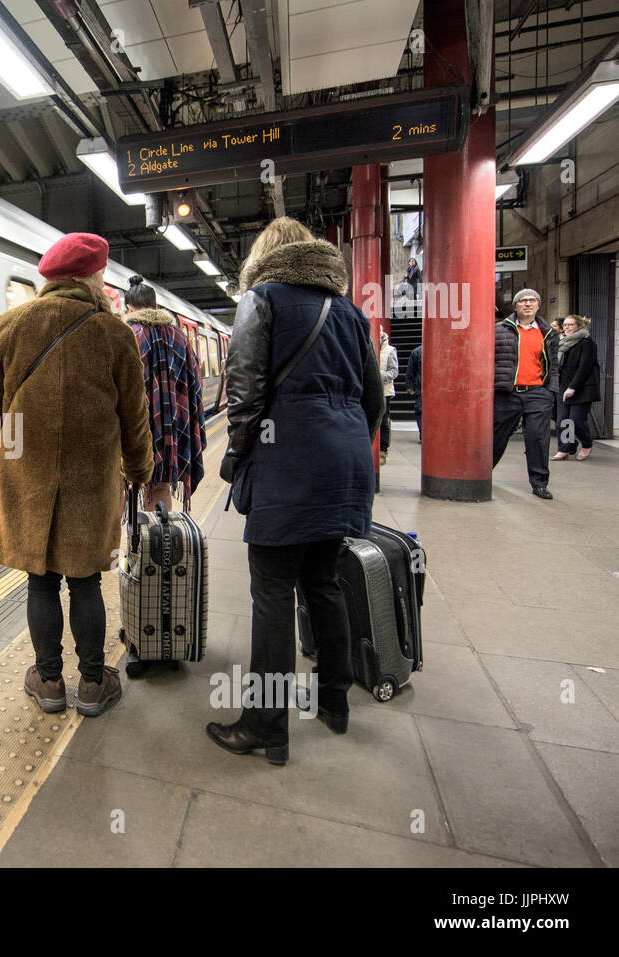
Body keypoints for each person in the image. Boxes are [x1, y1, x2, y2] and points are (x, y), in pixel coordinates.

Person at [210, 217, 384, 766]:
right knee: (325, 582)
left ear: (263, 255)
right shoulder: (351, 313)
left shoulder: (262, 300)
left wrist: (238, 454)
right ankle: (335, 701)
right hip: (346, 465)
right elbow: (374, 400)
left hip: (286, 464)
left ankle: (267, 726)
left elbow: (243, 392)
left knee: (272, 594)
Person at [0, 232, 153, 718]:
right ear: (93, 276)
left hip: (25, 480)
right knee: (87, 581)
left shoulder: (7, 327)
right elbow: (133, 416)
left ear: (48, 279)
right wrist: (139, 469)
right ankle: (93, 682)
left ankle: (48, 681)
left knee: (41, 581)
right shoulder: (114, 333)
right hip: (90, 486)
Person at [122, 275, 206, 514]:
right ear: (155, 305)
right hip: (170, 429)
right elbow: (193, 386)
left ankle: (134, 547)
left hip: (136, 430)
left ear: (129, 307)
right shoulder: (180, 337)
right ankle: (160, 546)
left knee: (125, 488)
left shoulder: (128, 336)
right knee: (161, 488)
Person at [492, 288, 558, 499]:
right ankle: (480, 474)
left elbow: (554, 364)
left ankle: (539, 483)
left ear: (538, 305)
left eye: (532, 300)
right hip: (507, 393)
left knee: (538, 438)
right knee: (496, 436)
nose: (527, 304)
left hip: (538, 392)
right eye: (523, 301)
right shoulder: (499, 330)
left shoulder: (548, 332)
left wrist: (550, 391)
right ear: (516, 306)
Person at [552, 315, 600, 461]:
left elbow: (584, 367)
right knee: (562, 421)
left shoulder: (586, 342)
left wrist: (573, 387)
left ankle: (586, 444)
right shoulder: (562, 343)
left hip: (582, 388)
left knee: (576, 420)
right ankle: (564, 449)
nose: (566, 327)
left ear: (579, 326)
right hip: (563, 386)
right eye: (565, 325)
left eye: (570, 325)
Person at [379, 331, 398, 464]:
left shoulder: (390, 350)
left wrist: (380, 377)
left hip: (385, 390)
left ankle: (383, 450)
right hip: (371, 389)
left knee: (384, 420)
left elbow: (394, 371)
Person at [407, 342, 423, 440]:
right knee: (420, 411)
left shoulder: (417, 351)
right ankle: (423, 434)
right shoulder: (417, 352)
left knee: (420, 411)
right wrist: (410, 386)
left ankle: (423, 434)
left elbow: (410, 371)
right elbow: (411, 371)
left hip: (420, 387)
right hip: (420, 387)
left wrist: (410, 386)